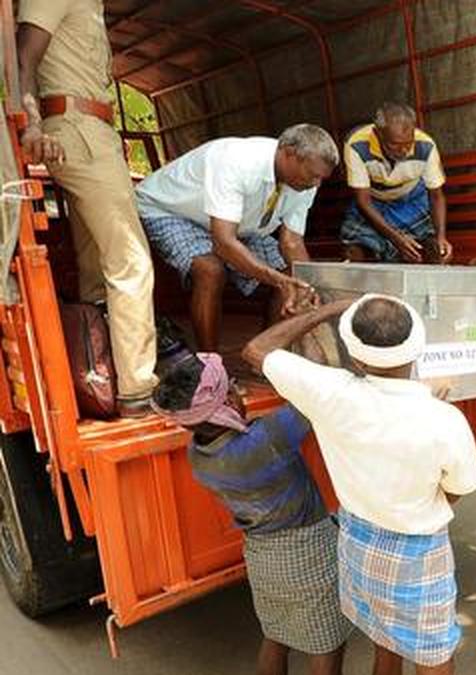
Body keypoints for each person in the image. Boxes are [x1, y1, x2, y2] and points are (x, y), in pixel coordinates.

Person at [243, 295, 476, 675]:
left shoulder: (329, 392)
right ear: (417, 349)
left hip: (357, 540)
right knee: (433, 654)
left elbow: (257, 349)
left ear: (355, 357)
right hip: (418, 549)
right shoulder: (444, 420)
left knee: (383, 637)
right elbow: (460, 486)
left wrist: (327, 309)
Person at [151, 353, 352, 675]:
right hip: (308, 553)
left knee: (275, 636)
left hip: (262, 556)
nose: (237, 390)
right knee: (327, 643)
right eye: (231, 387)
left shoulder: (198, 455)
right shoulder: (265, 441)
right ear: (227, 401)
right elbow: (320, 394)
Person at [16, 0, 158, 416]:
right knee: (130, 262)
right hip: (79, 129)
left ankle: (100, 369)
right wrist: (32, 123)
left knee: (96, 265)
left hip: (91, 129)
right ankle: (138, 388)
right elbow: (24, 53)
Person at [136, 124, 338, 352]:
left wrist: (308, 286)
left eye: (322, 178)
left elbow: (291, 242)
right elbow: (223, 242)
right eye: (313, 175)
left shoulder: (306, 182)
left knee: (291, 273)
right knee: (210, 269)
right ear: (288, 153)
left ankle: (265, 354)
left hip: (232, 223)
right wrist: (279, 281)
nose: (316, 184)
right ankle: (211, 365)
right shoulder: (236, 161)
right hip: (170, 210)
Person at [340, 102, 451, 264]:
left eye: (408, 143)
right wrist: (397, 238)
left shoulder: (426, 145)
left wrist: (441, 238)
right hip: (373, 203)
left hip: (411, 200)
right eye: (394, 145)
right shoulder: (356, 144)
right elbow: (363, 201)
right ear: (377, 134)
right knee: (353, 253)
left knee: (435, 251)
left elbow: (436, 196)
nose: (404, 151)